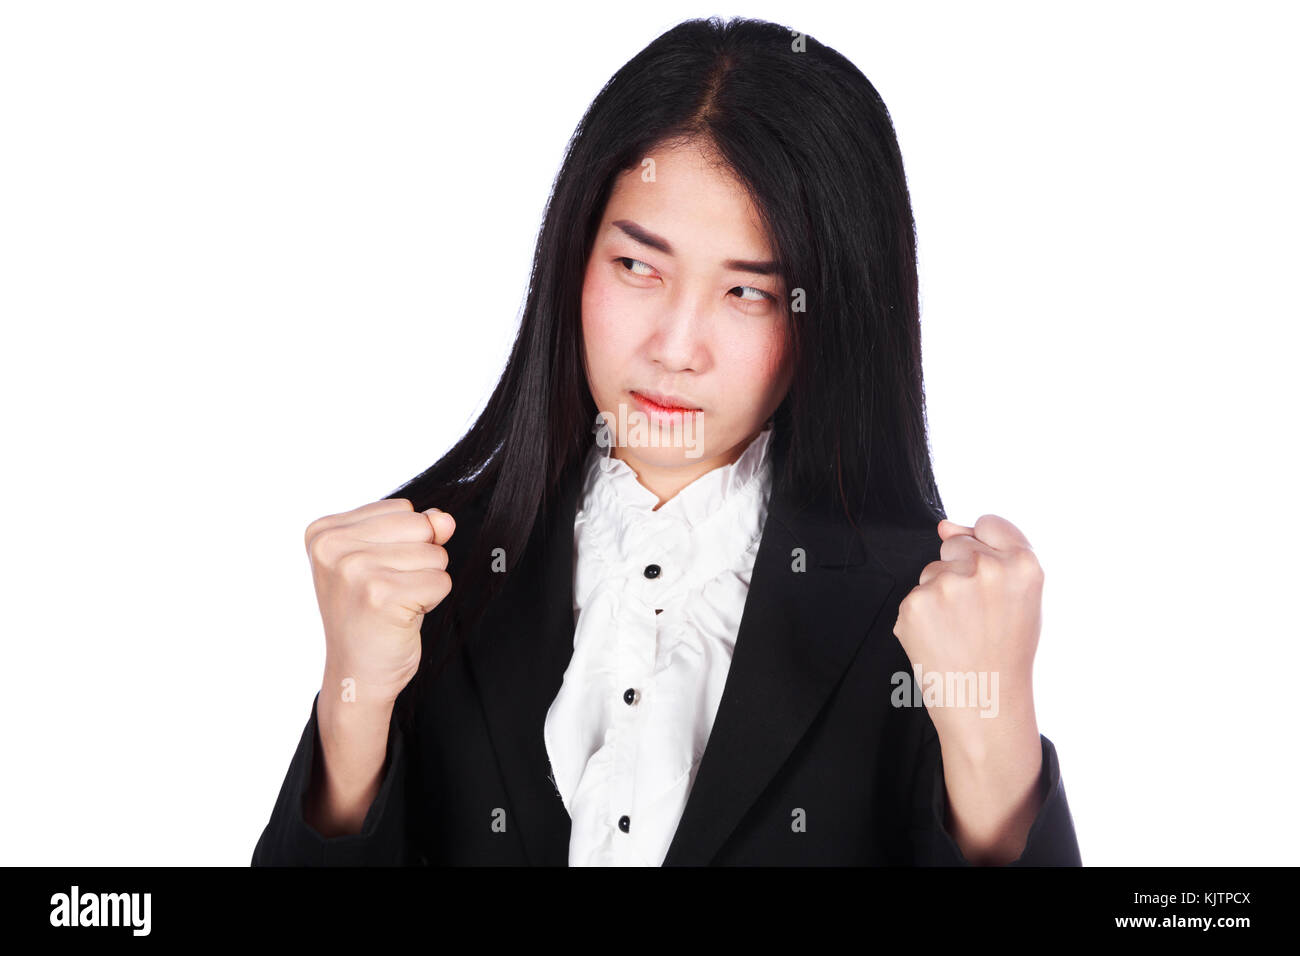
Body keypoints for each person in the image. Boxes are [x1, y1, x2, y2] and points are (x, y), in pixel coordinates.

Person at [252, 16, 1082, 867]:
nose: (676, 347)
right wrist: (353, 704)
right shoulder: (426, 579)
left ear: (831, 315)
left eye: (749, 293)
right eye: (638, 267)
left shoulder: (927, 618)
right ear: (574, 256)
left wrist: (993, 731)